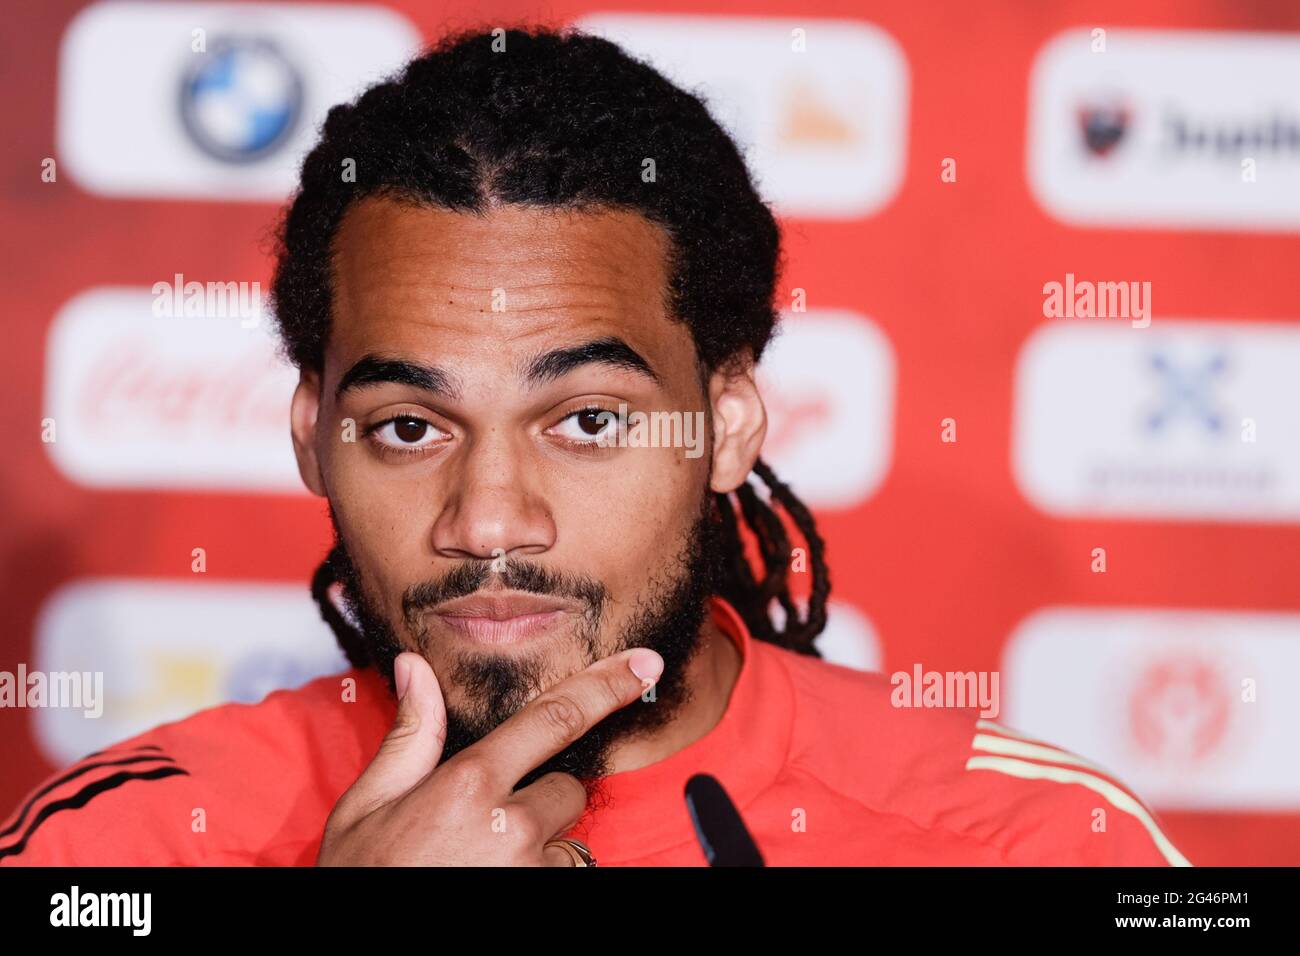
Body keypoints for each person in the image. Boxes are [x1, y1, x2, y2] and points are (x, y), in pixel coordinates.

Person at [0, 26, 1188, 867]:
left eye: (586, 420)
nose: (489, 518)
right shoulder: (112, 851)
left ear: (724, 421)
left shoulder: (1036, 844)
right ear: (313, 436)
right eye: (409, 427)